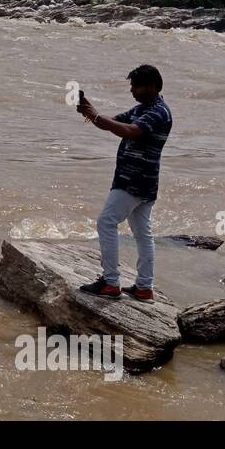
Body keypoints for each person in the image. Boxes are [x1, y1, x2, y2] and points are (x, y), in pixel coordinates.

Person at [76, 65, 173, 300]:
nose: (131, 90)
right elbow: (112, 123)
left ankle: (110, 283)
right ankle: (144, 287)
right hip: (144, 181)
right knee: (142, 233)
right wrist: (91, 113)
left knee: (106, 223)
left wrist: (98, 117)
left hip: (134, 181)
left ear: (151, 87)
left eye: (135, 86)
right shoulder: (144, 109)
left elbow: (129, 131)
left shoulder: (158, 112)